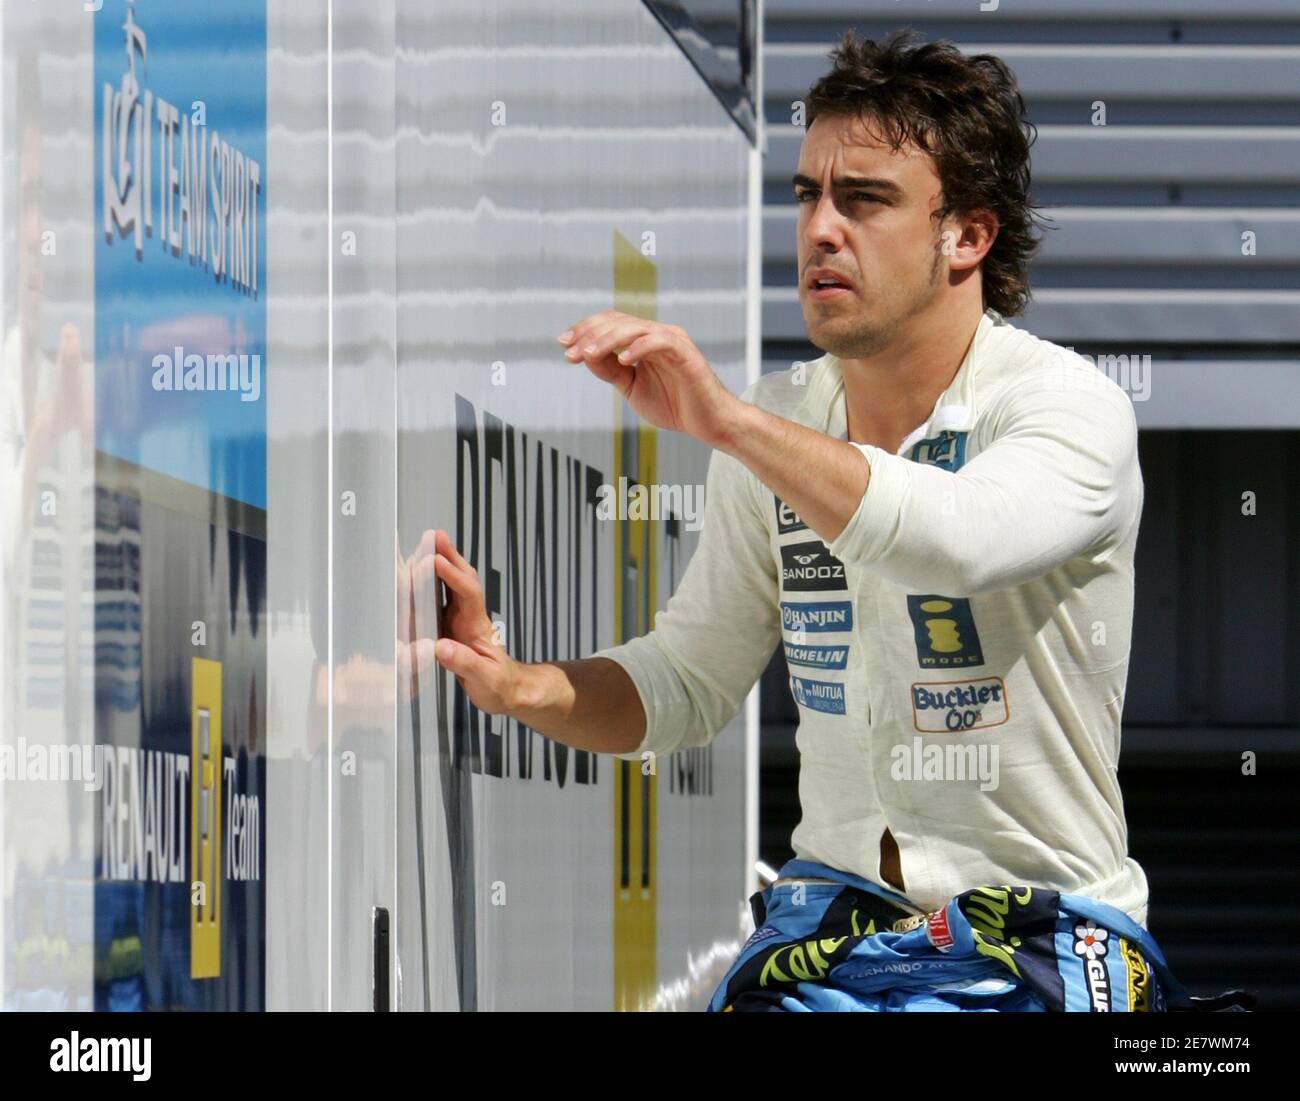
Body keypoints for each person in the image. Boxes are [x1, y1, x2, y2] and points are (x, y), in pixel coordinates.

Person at [431, 29, 1218, 1012]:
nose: (819, 229)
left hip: (1043, 932)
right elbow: (685, 681)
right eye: (807, 194)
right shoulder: (780, 419)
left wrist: (728, 424)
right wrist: (520, 686)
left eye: (866, 200)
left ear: (966, 236)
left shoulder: (1067, 409)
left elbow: (958, 537)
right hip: (832, 925)